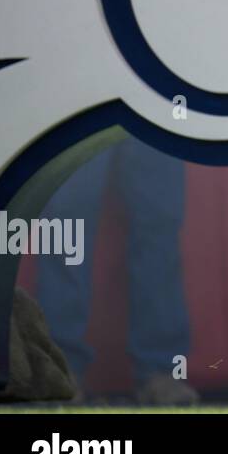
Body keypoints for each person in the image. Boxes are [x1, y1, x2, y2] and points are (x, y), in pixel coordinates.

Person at [37, 139, 197, 406]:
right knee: (66, 224)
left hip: (155, 104)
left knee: (159, 225)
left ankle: (160, 373)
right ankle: (59, 370)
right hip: (78, 102)